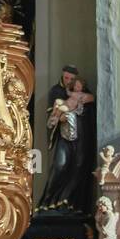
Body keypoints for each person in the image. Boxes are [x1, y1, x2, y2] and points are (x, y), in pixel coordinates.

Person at [38, 64, 95, 213]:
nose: (69, 81)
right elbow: (54, 114)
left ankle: (69, 202)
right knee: (60, 165)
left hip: (80, 137)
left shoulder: (84, 93)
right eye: (67, 78)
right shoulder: (56, 91)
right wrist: (60, 116)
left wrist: (75, 110)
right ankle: (48, 202)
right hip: (64, 137)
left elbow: (89, 110)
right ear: (62, 76)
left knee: (78, 167)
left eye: (73, 79)